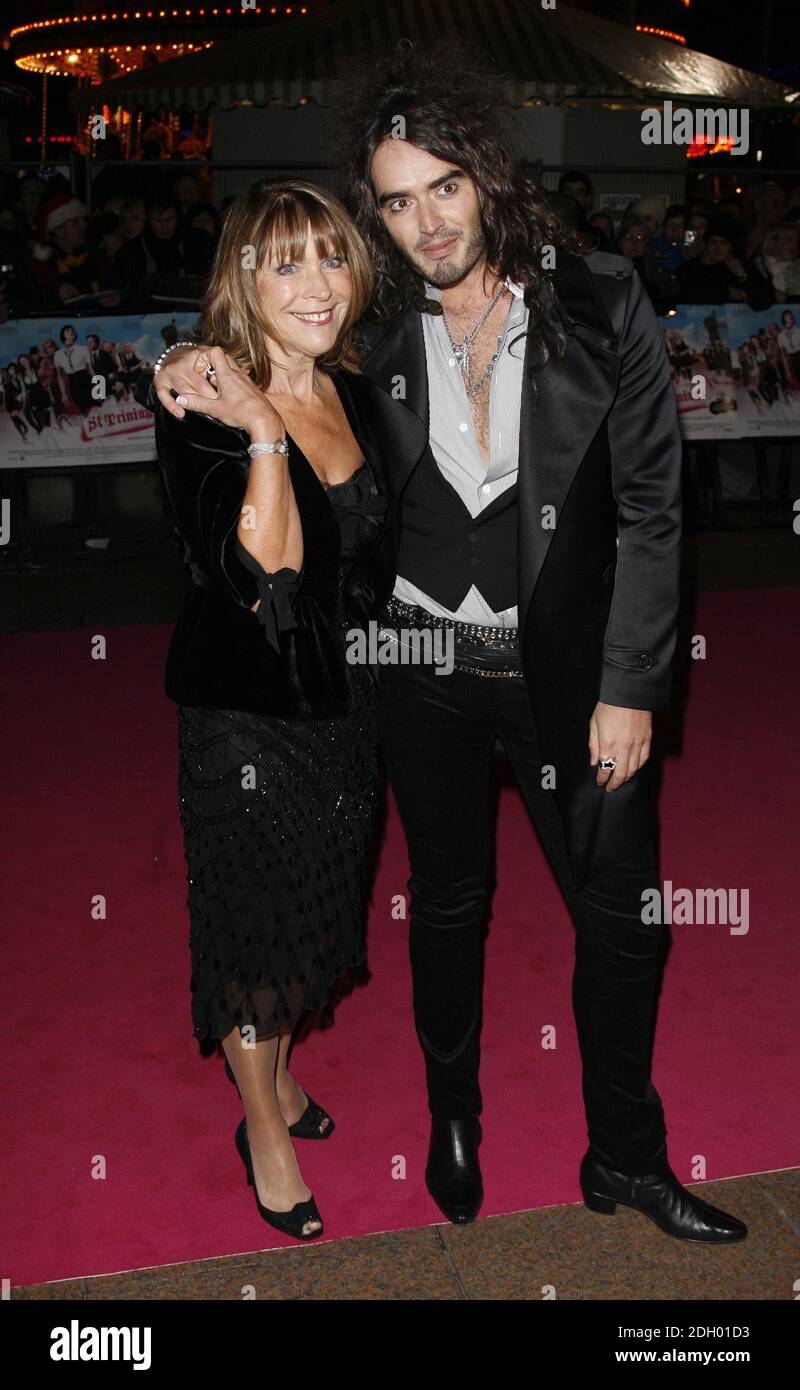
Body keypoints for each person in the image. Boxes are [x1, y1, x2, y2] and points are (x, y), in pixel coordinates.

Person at [151, 44, 747, 1245]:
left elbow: (648, 506)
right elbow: (259, 338)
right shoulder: (367, 327)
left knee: (626, 916)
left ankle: (624, 1154)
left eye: (443, 187)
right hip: (415, 671)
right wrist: (179, 360)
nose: (423, 220)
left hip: (571, 677)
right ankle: (453, 1116)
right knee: (446, 908)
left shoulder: (600, 301)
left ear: (486, 177)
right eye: (395, 199)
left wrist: (632, 686)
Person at [147, 178, 397, 1241]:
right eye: (285, 260)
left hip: (348, 708)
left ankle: (283, 1078)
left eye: (331, 257)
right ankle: (264, 1129)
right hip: (245, 716)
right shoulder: (204, 399)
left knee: (321, 918)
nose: (316, 283)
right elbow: (267, 571)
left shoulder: (358, 386)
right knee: (257, 935)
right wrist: (256, 423)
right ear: (241, 277)